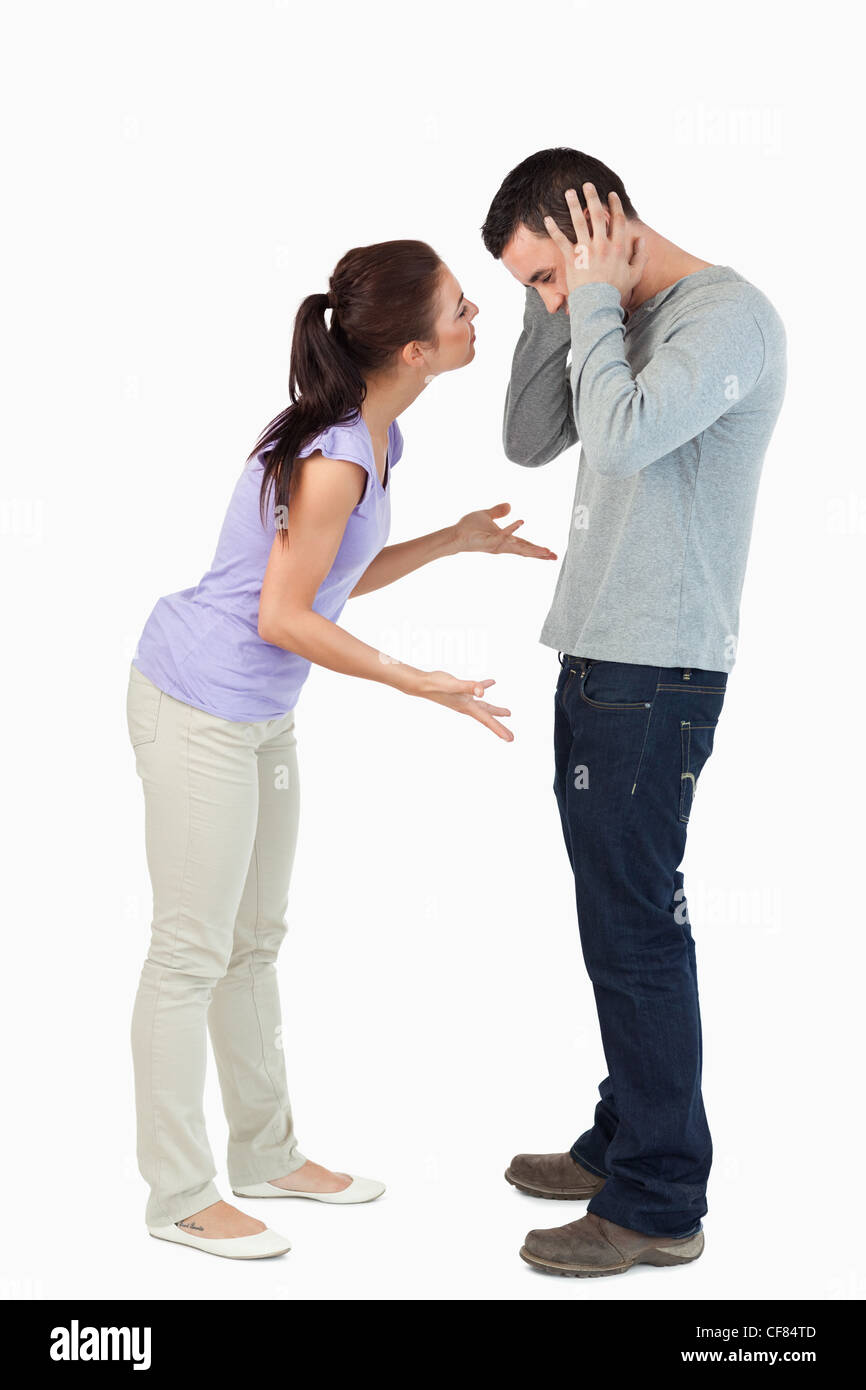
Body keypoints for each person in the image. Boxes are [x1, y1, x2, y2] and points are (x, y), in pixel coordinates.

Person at [126, 239, 556, 1260]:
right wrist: (414, 679)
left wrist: (451, 539)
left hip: (253, 710)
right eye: (459, 309)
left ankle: (265, 1154)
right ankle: (178, 1194)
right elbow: (283, 614)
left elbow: (329, 580)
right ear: (412, 348)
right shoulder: (335, 454)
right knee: (190, 952)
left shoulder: (372, 436)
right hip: (196, 703)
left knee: (255, 938)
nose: (473, 320)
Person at [481, 147, 787, 1278]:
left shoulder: (729, 319)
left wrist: (595, 297)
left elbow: (612, 436)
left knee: (636, 931)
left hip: (655, 675)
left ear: (602, 223)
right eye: (534, 290)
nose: (553, 304)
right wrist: (558, 308)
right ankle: (625, 1137)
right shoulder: (603, 316)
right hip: (597, 662)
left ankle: (657, 1200)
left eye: (547, 275)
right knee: (615, 922)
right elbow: (526, 436)